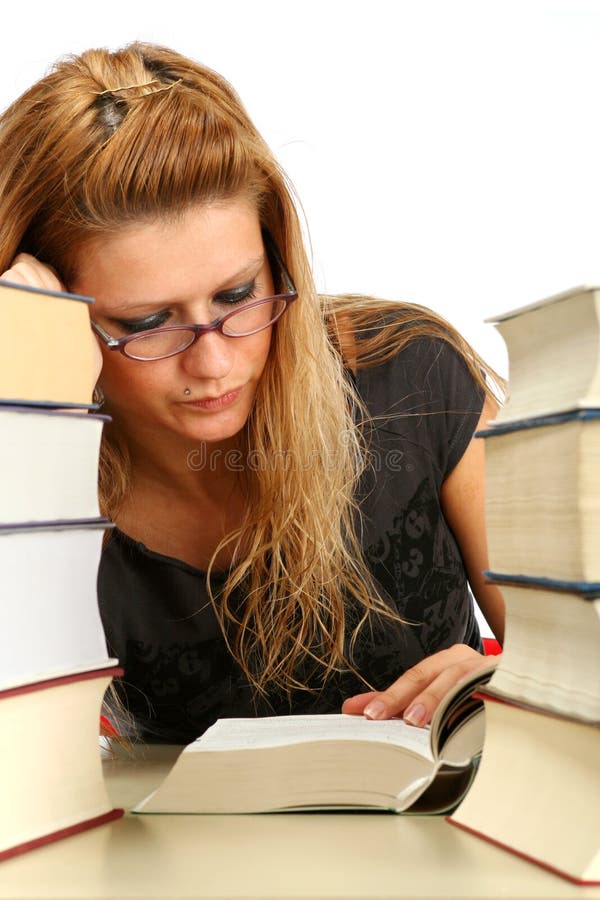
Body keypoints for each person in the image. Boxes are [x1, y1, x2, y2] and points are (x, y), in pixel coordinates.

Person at [0, 43, 504, 744]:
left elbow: (580, 669)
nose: (212, 362)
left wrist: (504, 680)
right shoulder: (28, 469)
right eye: (146, 322)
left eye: (239, 294)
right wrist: (26, 412)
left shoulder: (412, 376)